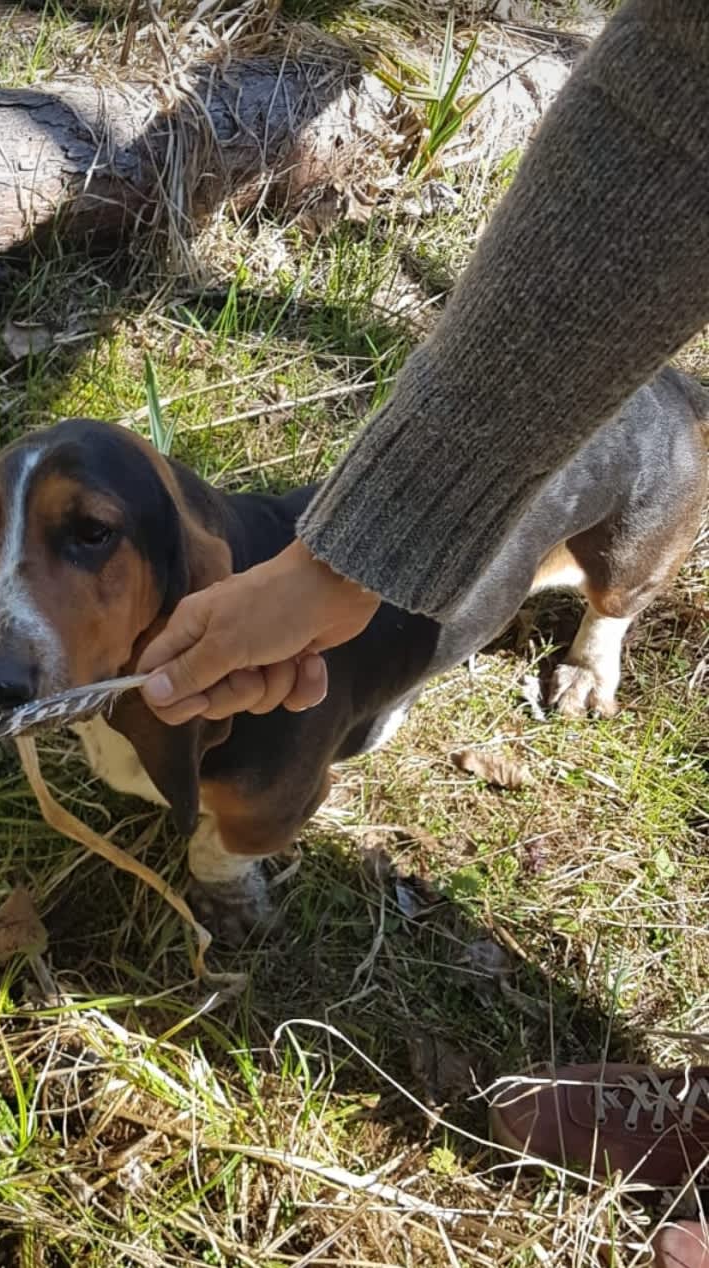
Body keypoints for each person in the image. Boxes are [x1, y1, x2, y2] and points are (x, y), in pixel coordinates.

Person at [136, 2, 709, 1262]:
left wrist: (603, 631)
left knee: (621, 556)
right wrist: (357, 546)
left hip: (646, 460)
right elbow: (678, 120)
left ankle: (601, 623)